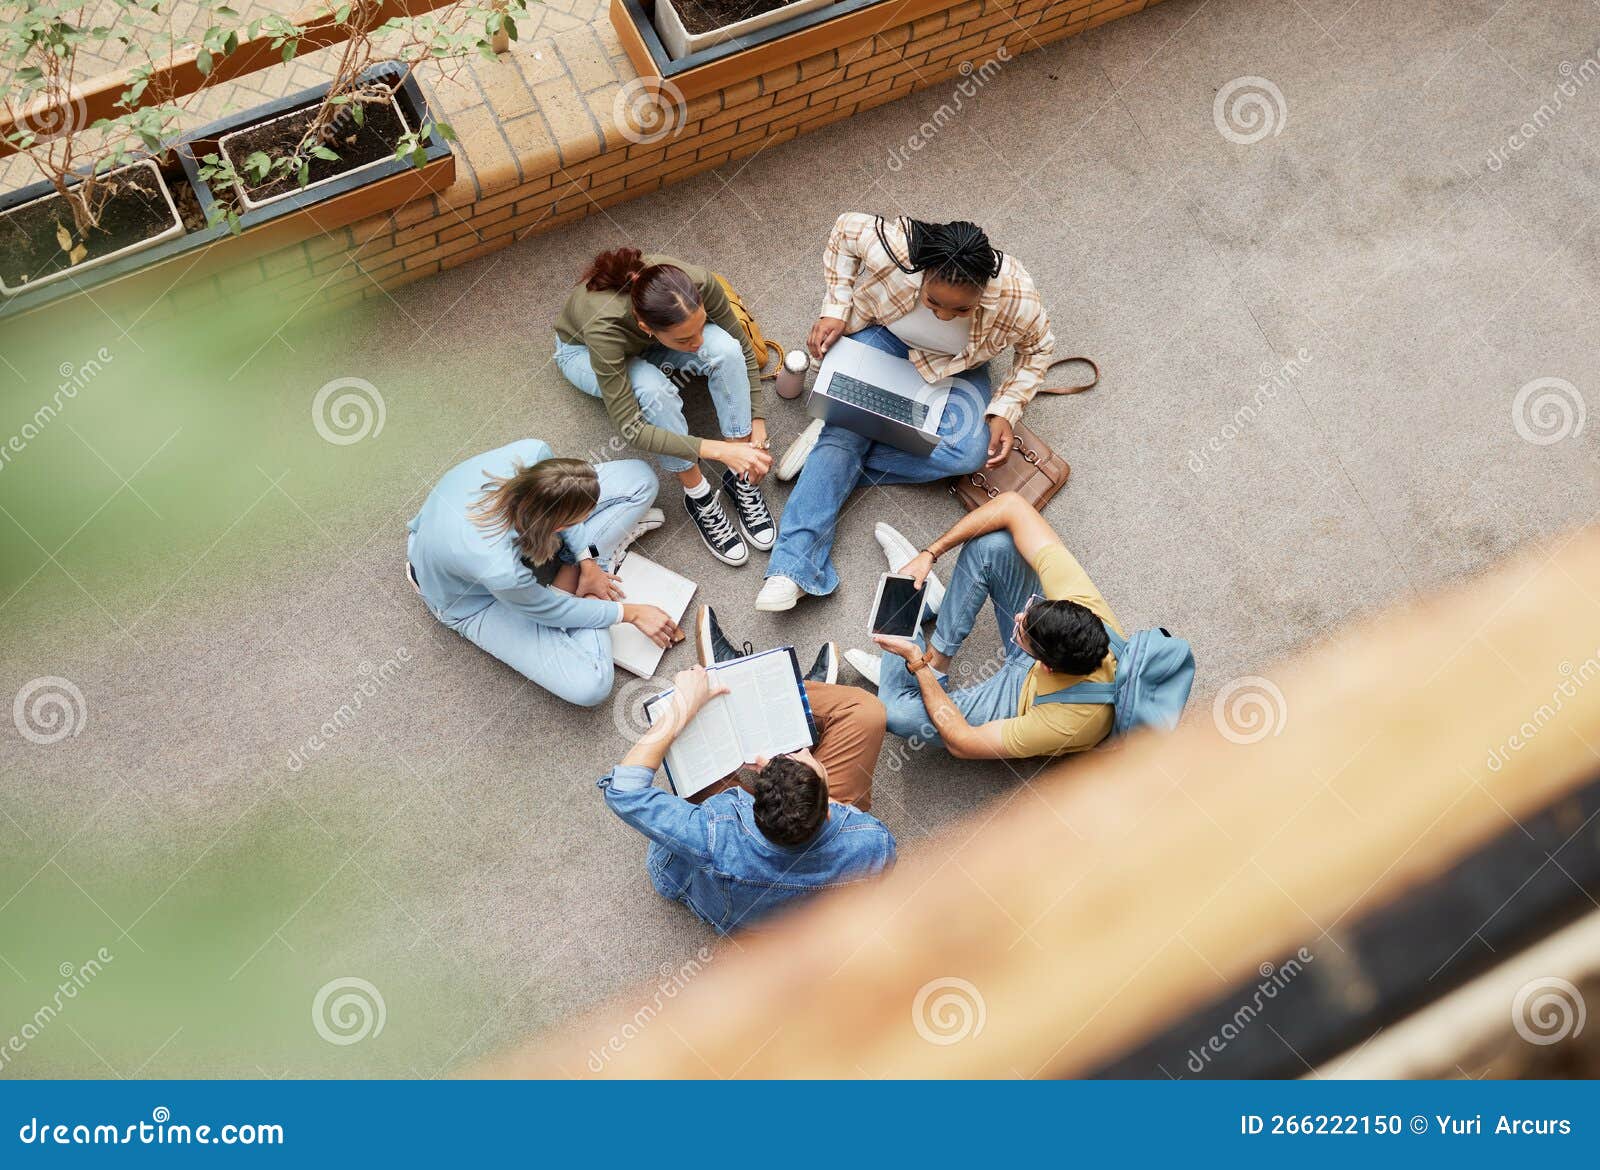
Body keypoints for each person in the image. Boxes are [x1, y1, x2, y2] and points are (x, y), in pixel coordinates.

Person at [756, 213, 1057, 612]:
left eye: (961, 309)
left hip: (957, 366)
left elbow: (1038, 349)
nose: (943, 315)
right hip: (886, 337)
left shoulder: (1017, 297)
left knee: (967, 455)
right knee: (846, 435)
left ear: (982, 291)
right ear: (921, 273)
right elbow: (845, 229)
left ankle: (830, 454)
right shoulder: (897, 247)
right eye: (934, 302)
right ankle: (792, 568)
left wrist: (1005, 409)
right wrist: (836, 307)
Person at [598, 614, 895, 933]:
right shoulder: (872, 842)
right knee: (866, 713)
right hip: (801, 893)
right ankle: (796, 705)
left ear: (753, 806)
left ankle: (734, 682)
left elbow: (624, 791)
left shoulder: (712, 833)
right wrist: (815, 781)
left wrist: (681, 705)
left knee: (693, 743)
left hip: (722, 880)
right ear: (827, 810)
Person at [845, 492, 1122, 760]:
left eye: (1021, 630)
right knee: (992, 546)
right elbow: (1011, 505)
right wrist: (930, 554)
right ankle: (934, 662)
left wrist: (917, 664)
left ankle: (906, 660)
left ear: (1045, 666)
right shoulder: (1084, 604)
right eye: (1030, 609)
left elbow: (962, 743)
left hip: (1025, 698)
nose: (1017, 616)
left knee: (895, 712)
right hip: (1053, 655)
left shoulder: (1066, 722)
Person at [406, 439, 679, 708]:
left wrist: (587, 561)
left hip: (483, 536)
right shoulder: (501, 569)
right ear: (555, 527)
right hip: (467, 600)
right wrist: (629, 613)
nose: (582, 521)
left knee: (641, 478)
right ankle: (590, 580)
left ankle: (585, 567)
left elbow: (560, 507)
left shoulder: (533, 452)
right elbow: (550, 611)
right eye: (577, 520)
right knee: (592, 685)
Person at [555, 246, 775, 567]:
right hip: (583, 352)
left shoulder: (699, 284)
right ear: (646, 327)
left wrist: (757, 422)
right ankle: (698, 496)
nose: (698, 343)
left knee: (725, 351)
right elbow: (632, 428)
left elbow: (740, 346)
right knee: (652, 389)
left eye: (701, 326)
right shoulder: (605, 328)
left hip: (655, 342)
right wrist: (718, 450)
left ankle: (740, 473)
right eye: (687, 340)